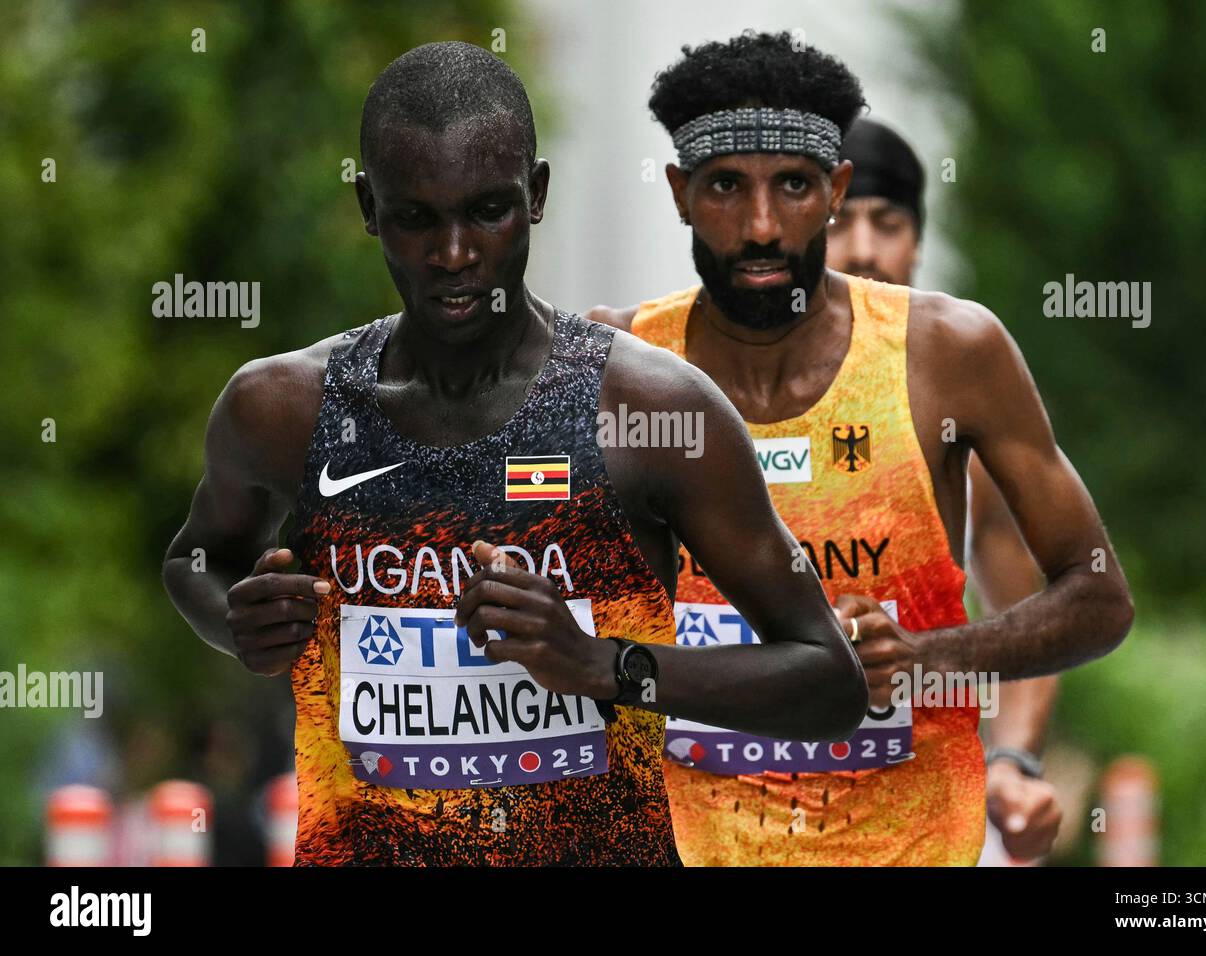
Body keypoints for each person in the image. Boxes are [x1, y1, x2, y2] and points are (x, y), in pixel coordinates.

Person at [162, 40, 867, 866]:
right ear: (367, 205)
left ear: (535, 195)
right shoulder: (283, 406)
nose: (454, 254)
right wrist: (238, 623)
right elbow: (194, 561)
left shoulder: (648, 409)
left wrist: (606, 665)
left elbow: (830, 681)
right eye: (417, 217)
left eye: (486, 211)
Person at [588, 31, 1132, 865]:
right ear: (678, 193)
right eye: (727, 186)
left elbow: (1098, 601)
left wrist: (928, 660)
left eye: (795, 186)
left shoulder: (949, 354)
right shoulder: (616, 363)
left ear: (835, 189)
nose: (763, 227)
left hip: (912, 845)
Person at [827, 116, 1063, 863]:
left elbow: (1041, 616)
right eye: (840, 223)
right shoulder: (723, 409)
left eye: (888, 222)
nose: (864, 248)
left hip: (933, 816)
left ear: (918, 241)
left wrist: (1012, 763)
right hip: (756, 815)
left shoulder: (966, 424)